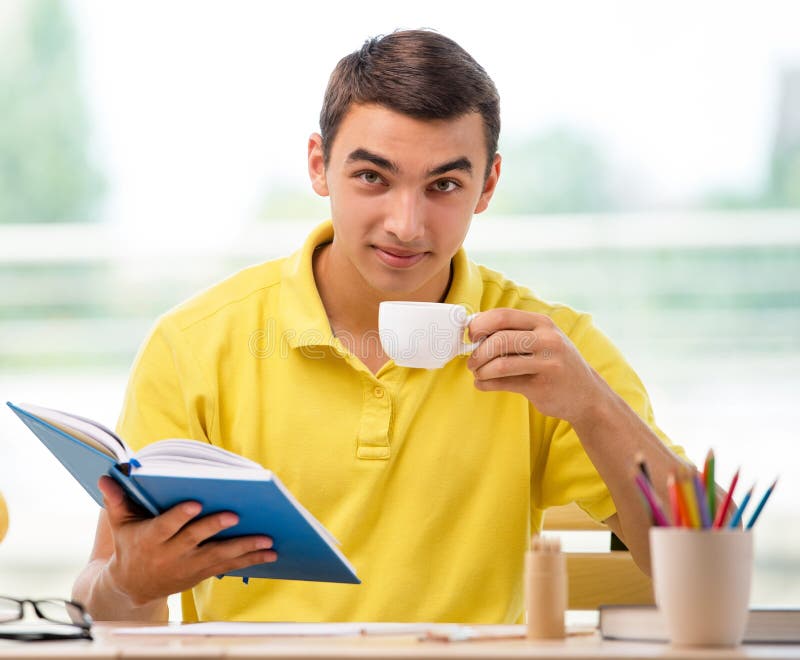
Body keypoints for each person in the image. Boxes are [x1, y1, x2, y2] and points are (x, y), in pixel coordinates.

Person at [73, 28, 692, 624]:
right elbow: (104, 606)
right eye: (373, 177)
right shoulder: (194, 346)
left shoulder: (552, 350)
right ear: (319, 165)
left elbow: (703, 566)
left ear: (488, 185)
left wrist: (592, 407)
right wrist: (131, 583)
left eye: (444, 184)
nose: (406, 224)